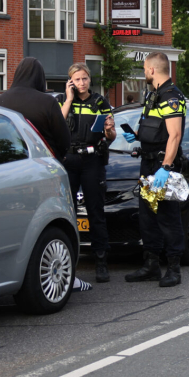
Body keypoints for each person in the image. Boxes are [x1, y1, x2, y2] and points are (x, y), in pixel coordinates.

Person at [124, 52, 186, 288]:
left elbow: (175, 135)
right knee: (148, 217)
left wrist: (166, 168)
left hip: (162, 166)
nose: (143, 72)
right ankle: (150, 265)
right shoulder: (154, 95)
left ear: (151, 70)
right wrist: (137, 136)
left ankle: (173, 269)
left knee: (168, 218)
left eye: (144, 68)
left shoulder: (171, 96)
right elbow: (155, 129)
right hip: (148, 164)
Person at [60, 62, 116, 284]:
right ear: (70, 81)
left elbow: (111, 136)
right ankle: (69, 262)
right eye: (76, 79)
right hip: (70, 160)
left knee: (95, 212)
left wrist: (110, 131)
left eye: (84, 78)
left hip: (92, 160)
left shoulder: (100, 102)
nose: (81, 83)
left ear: (90, 80)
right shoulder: (65, 101)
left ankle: (101, 261)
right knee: (68, 212)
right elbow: (57, 123)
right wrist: (69, 99)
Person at [0, 58, 70, 159]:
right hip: (43, 162)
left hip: (9, 161)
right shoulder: (48, 102)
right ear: (40, 77)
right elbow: (64, 140)